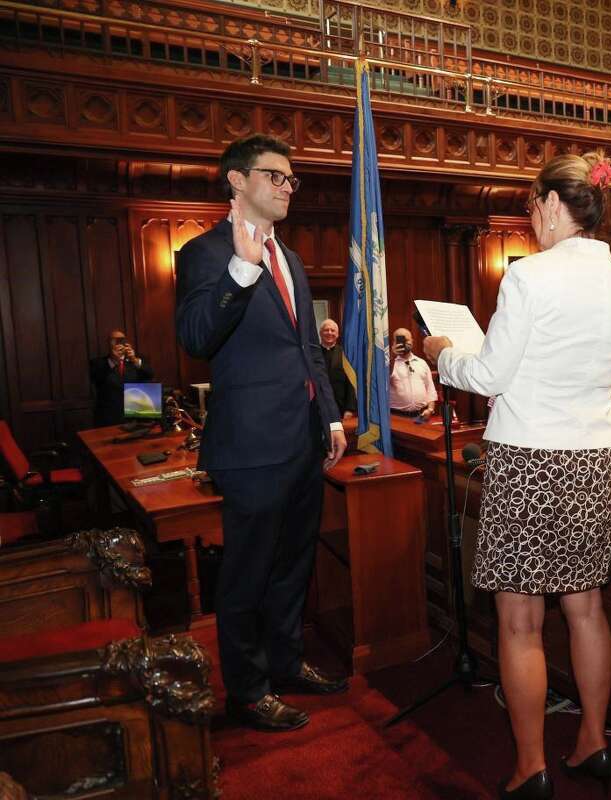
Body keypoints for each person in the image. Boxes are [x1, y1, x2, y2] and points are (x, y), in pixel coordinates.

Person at [423, 150, 611, 800]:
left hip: (528, 458)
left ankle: (529, 767)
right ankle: (594, 742)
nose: (531, 223)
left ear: (549, 204)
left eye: (531, 209)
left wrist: (442, 354)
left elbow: (489, 377)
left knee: (520, 622)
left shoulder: (529, 278)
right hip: (594, 457)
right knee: (585, 609)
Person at [175, 134, 348, 733]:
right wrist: (241, 269)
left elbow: (308, 350)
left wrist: (328, 416)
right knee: (247, 573)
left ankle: (286, 662)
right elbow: (197, 338)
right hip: (250, 448)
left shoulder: (293, 259)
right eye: (275, 176)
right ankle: (246, 692)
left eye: (290, 179)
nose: (286, 187)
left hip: (303, 440)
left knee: (293, 565)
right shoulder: (204, 253)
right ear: (236, 180)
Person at [89, 329, 154, 426]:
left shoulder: (137, 360)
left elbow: (150, 374)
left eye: (121, 340)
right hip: (109, 417)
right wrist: (114, 361)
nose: (118, 343)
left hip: (136, 415)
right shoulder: (98, 363)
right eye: (114, 340)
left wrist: (134, 359)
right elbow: (96, 378)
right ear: (108, 344)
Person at [388, 326, 437, 419]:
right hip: (396, 417)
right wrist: (392, 357)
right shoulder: (386, 364)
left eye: (406, 340)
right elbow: (383, 381)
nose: (404, 343)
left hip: (421, 416)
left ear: (412, 341)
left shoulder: (422, 363)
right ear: (394, 343)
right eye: (399, 340)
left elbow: (430, 388)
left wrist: (430, 409)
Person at [318, 319, 355, 419]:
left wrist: (349, 408)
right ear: (320, 333)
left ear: (337, 334)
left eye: (333, 330)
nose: (329, 333)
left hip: (340, 407)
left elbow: (350, 381)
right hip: (317, 407)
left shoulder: (345, 354)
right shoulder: (313, 353)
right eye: (326, 330)